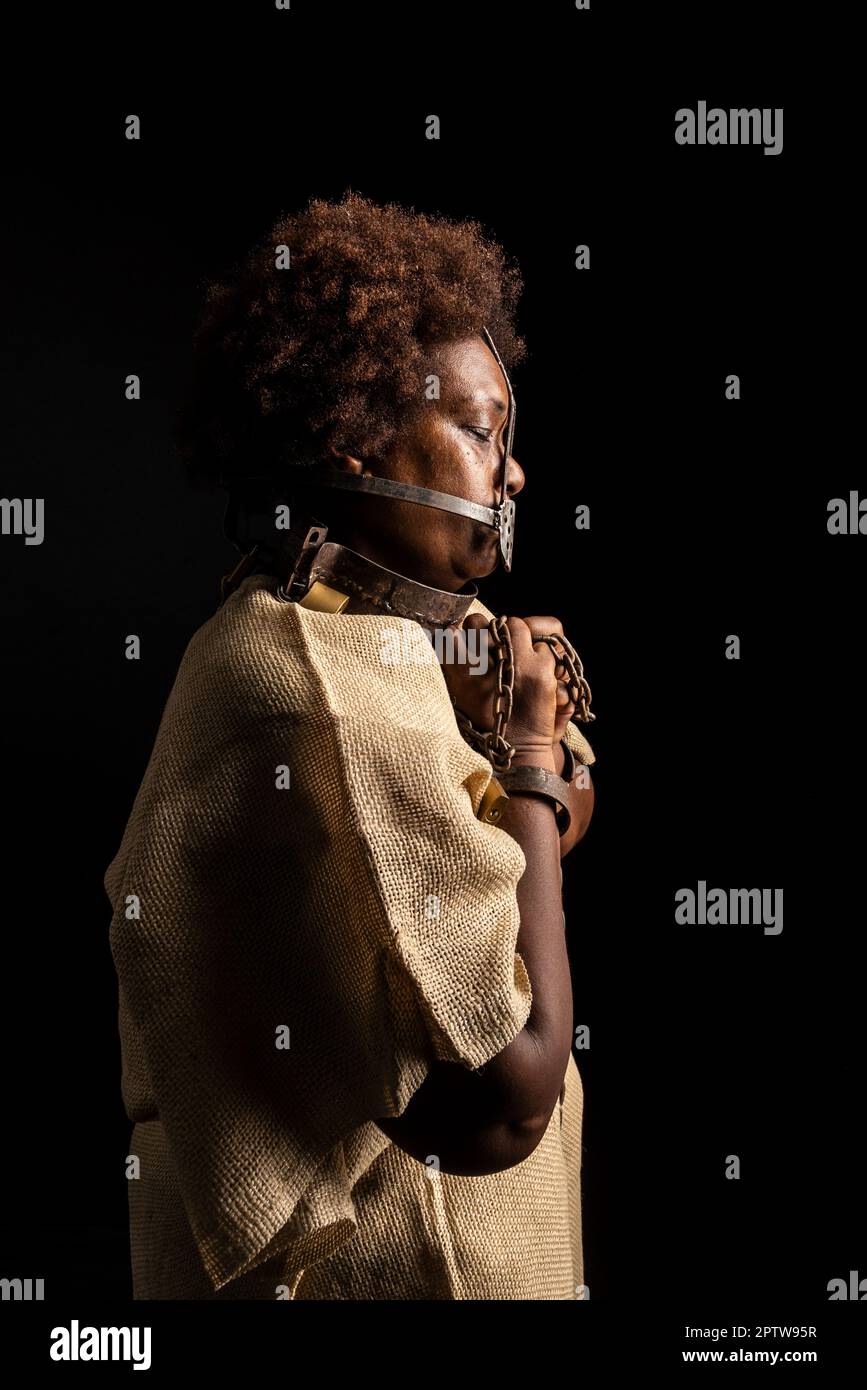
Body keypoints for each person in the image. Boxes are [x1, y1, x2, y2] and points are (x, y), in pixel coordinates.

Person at [104, 190, 597, 1300]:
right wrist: (525, 751)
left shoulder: (370, 630)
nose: (512, 476)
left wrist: (525, 759)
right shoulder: (325, 688)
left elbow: (556, 823)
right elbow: (508, 1094)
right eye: (479, 433)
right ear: (353, 437)